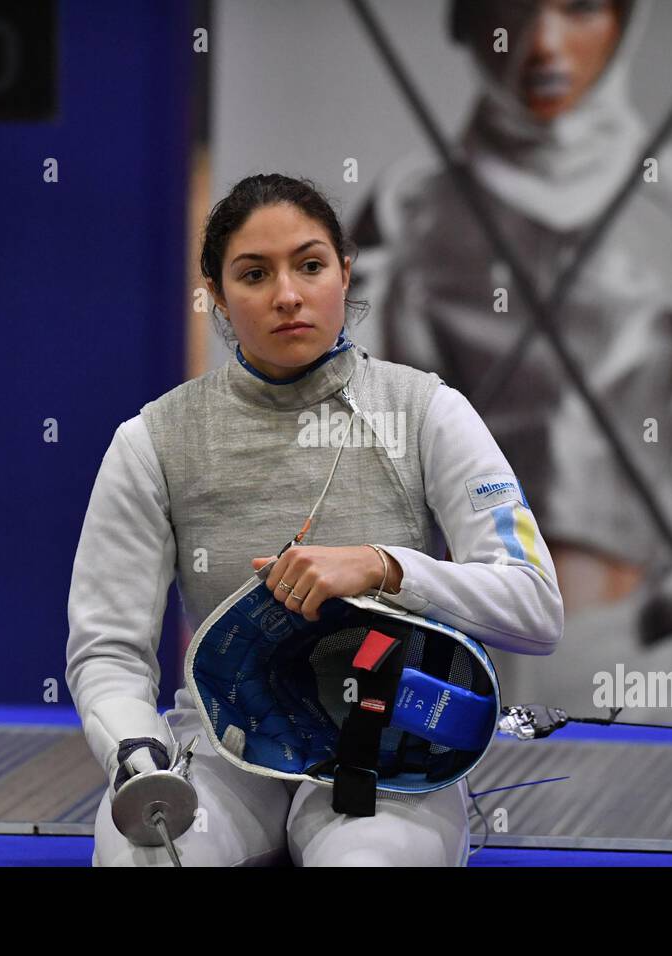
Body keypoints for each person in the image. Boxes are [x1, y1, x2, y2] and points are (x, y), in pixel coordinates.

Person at [349, 0, 672, 721]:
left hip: (628, 651)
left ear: (626, 21)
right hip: (449, 635)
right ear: (465, 20)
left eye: (580, 7)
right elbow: (354, 420)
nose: (544, 45)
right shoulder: (408, 207)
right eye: (511, 9)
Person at [65, 173, 564, 866]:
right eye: (253, 274)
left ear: (344, 271)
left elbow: (536, 606)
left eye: (309, 265)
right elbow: (108, 651)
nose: (288, 295)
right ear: (213, 292)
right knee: (143, 858)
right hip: (223, 745)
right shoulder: (155, 440)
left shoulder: (426, 411)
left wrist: (387, 567)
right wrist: (137, 755)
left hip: (386, 744)